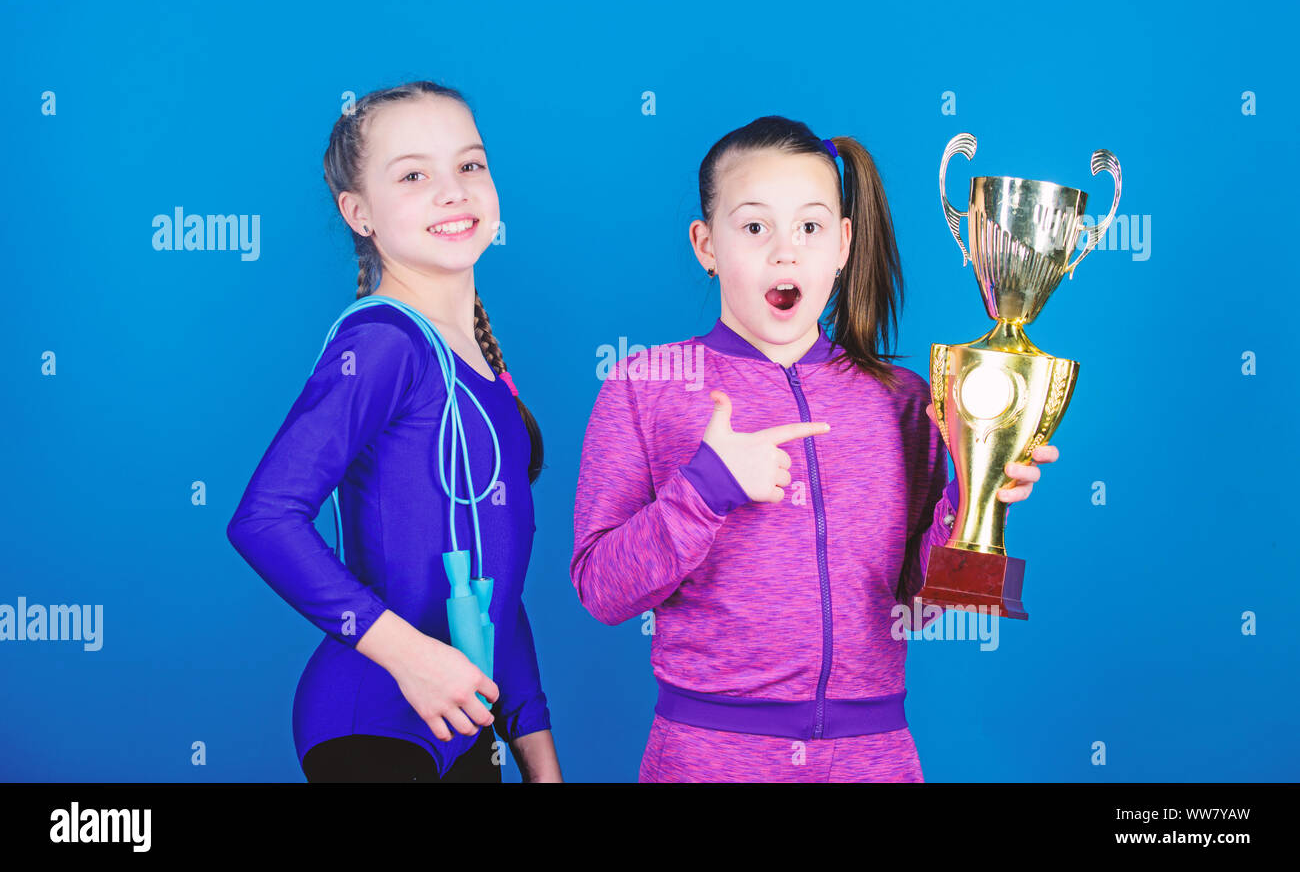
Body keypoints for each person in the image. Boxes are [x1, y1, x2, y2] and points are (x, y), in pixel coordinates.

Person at [570, 116, 1058, 782]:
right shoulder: (645, 386)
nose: (785, 252)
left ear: (843, 244)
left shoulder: (907, 400)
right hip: (709, 755)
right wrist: (705, 490)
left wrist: (972, 500)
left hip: (874, 755)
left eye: (810, 226)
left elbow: (920, 601)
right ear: (705, 243)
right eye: (753, 227)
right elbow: (602, 589)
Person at [227, 81, 560, 783]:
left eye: (469, 165)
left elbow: (494, 579)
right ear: (359, 212)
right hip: (374, 722)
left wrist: (536, 745)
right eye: (414, 175)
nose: (452, 190)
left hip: (464, 721)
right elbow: (263, 519)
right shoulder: (382, 343)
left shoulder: (481, 364)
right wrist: (410, 657)